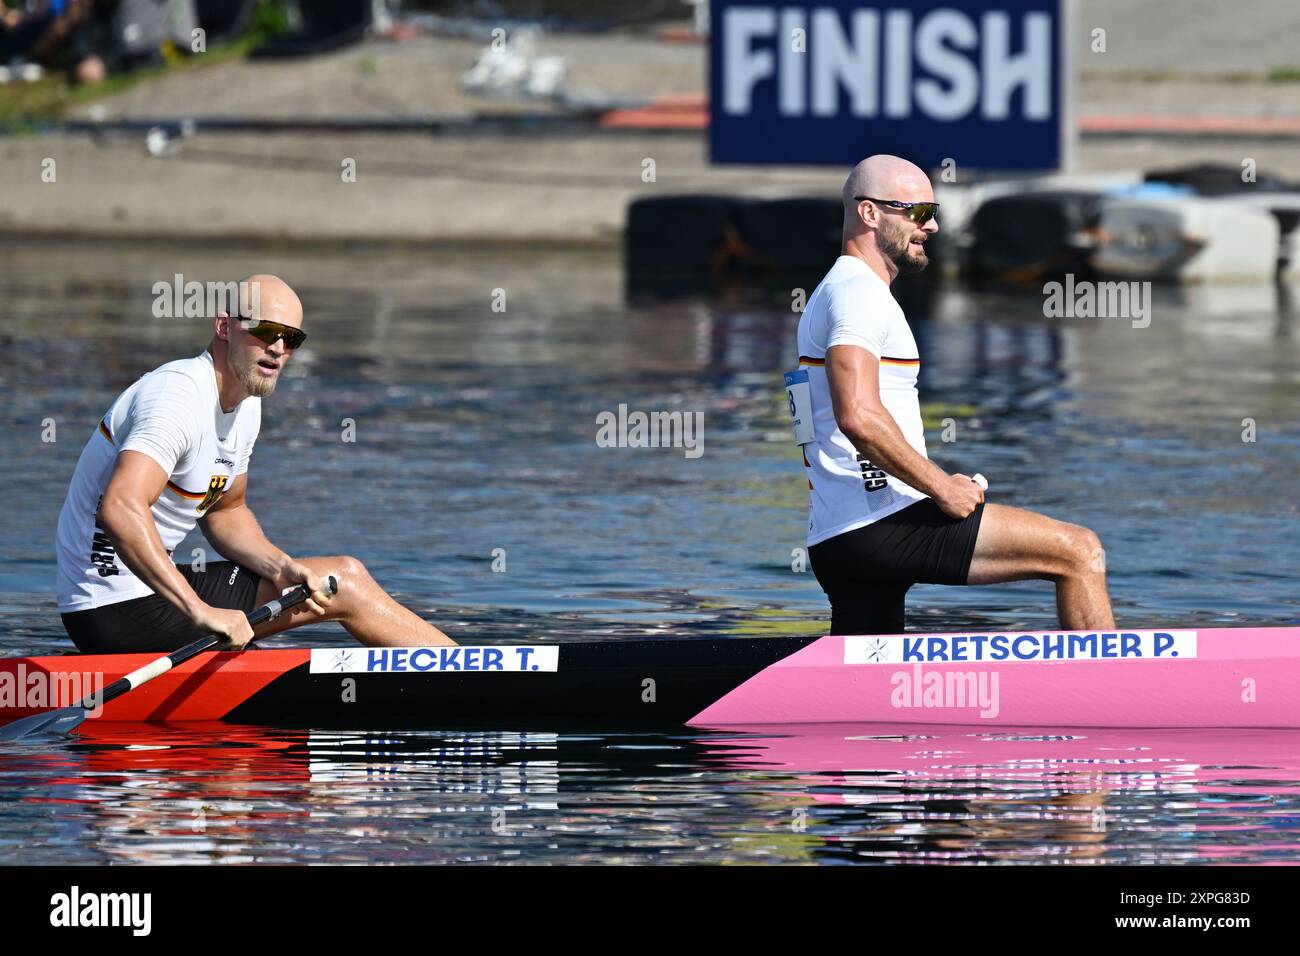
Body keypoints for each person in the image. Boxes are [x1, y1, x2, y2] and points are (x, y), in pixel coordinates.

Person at [795, 155, 1115, 635]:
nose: (934, 225)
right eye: (919, 213)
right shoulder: (857, 296)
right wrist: (942, 487)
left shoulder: (834, 291)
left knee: (874, 689)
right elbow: (857, 415)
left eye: (934, 211)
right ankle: (1109, 700)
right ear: (870, 213)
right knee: (1078, 552)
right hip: (882, 526)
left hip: (840, 537)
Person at [56, 274, 457, 653]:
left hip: (151, 593)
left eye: (292, 338)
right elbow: (120, 507)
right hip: (109, 608)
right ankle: (475, 673)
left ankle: (469, 672)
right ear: (224, 326)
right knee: (344, 581)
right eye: (265, 331)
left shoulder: (247, 403)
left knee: (318, 585)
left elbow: (226, 512)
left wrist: (281, 566)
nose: (279, 348)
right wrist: (201, 611)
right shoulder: (175, 398)